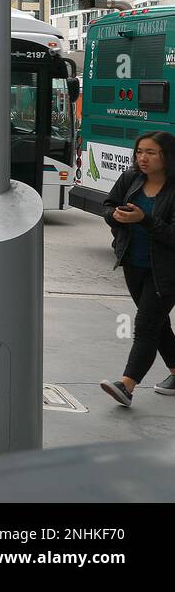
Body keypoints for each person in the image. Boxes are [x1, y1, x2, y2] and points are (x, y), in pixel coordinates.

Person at [99, 130, 175, 407]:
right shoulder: (130, 179)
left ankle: (127, 385)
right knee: (158, 323)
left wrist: (144, 220)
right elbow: (107, 205)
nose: (142, 158)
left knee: (145, 326)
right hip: (133, 264)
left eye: (151, 152)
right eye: (140, 151)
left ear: (166, 156)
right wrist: (115, 216)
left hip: (167, 271)